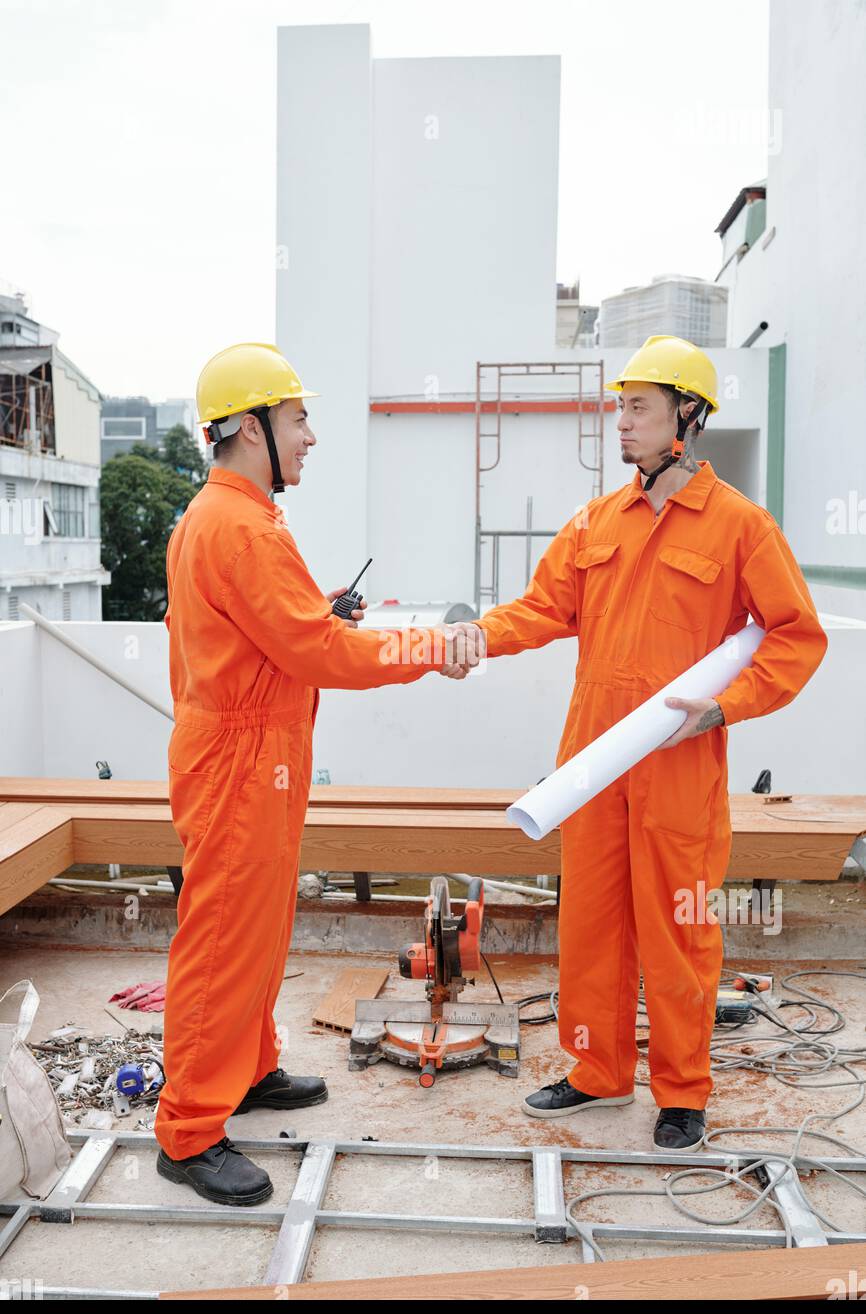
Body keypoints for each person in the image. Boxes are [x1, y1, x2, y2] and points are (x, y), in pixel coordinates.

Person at [449, 335, 828, 1153]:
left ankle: (682, 1092)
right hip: (594, 763)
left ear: (687, 415)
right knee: (591, 924)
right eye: (619, 407)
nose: (621, 423)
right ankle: (598, 1071)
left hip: (679, 765)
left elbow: (796, 637)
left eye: (638, 408)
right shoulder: (598, 521)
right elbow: (540, 609)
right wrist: (478, 635)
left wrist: (723, 708)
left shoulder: (741, 527)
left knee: (680, 931)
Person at [154, 342, 473, 1205]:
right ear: (251, 428)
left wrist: (315, 613)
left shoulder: (231, 518)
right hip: (241, 758)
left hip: (254, 752)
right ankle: (188, 1130)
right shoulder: (240, 528)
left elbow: (277, 629)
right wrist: (429, 647)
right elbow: (323, 653)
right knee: (223, 940)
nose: (311, 436)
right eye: (298, 419)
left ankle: (248, 1069)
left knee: (257, 929)